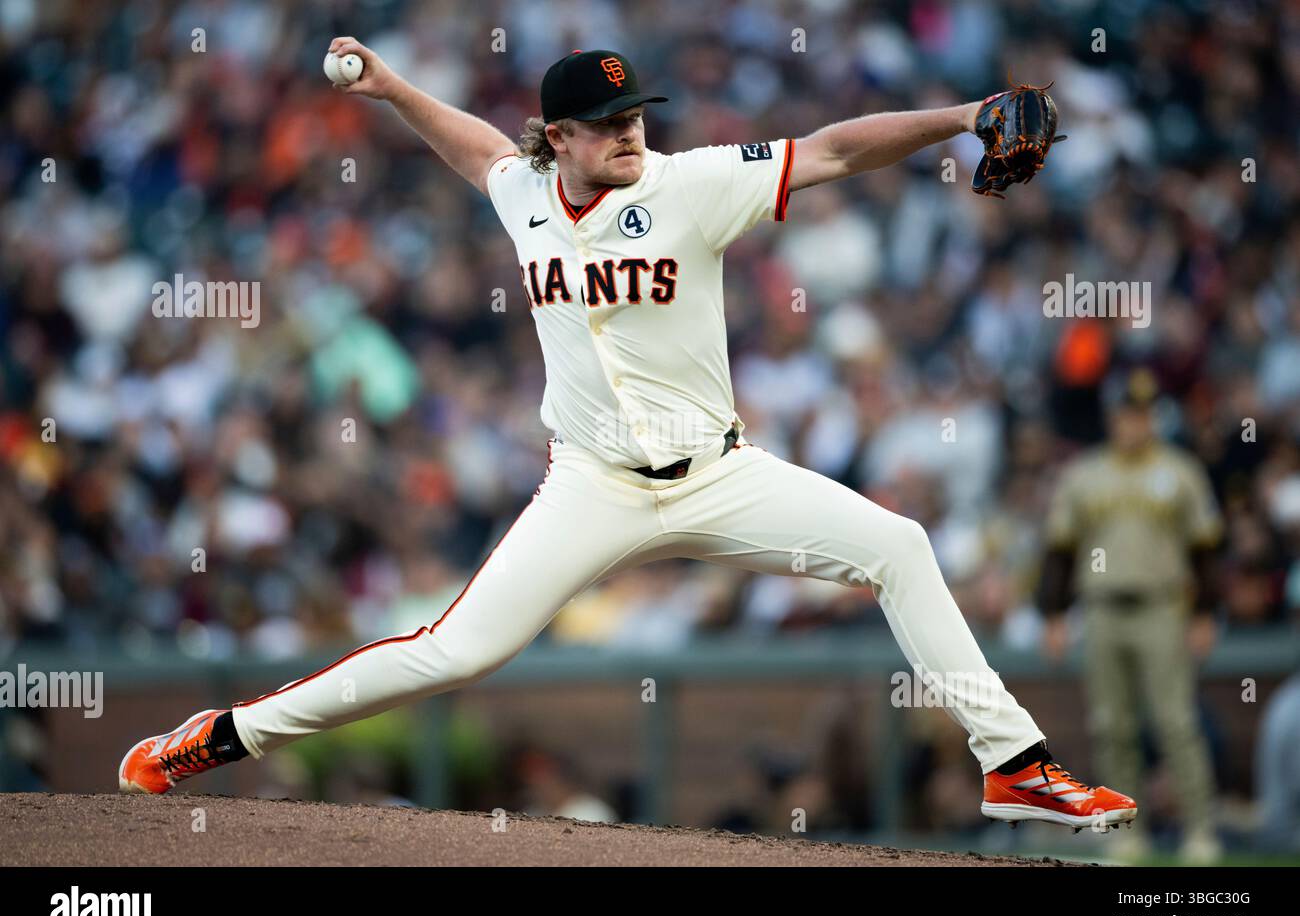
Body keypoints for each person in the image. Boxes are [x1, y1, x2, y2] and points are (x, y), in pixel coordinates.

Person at [120, 41, 1136, 833]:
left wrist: (964, 117)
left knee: (898, 546)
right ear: (557, 136)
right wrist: (391, 90)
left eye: (633, 113)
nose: (628, 132)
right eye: (605, 123)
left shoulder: (685, 182)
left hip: (719, 473)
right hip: (591, 484)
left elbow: (829, 146)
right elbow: (473, 143)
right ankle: (222, 734)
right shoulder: (523, 190)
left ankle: (1014, 765)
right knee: (451, 651)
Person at [1037, 368, 1222, 861]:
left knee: (1176, 723)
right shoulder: (1086, 474)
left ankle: (1200, 829)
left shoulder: (1179, 470)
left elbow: (1205, 548)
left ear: (1151, 418)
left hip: (1162, 607)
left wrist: (1205, 612)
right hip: (1101, 609)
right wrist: (1054, 614)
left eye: (1140, 414)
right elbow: (1060, 549)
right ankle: (1124, 832)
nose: (1132, 424)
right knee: (1110, 725)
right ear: (1112, 417)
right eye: (1125, 414)